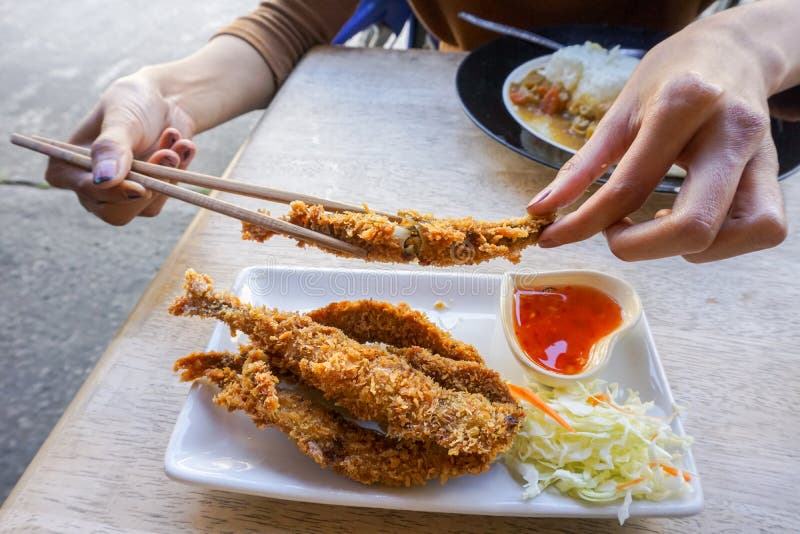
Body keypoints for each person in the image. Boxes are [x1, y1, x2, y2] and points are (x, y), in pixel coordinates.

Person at [45, 0, 798, 262]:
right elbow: (292, 23)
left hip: (691, 162)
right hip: (439, 127)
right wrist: (165, 94)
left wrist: (746, 38)